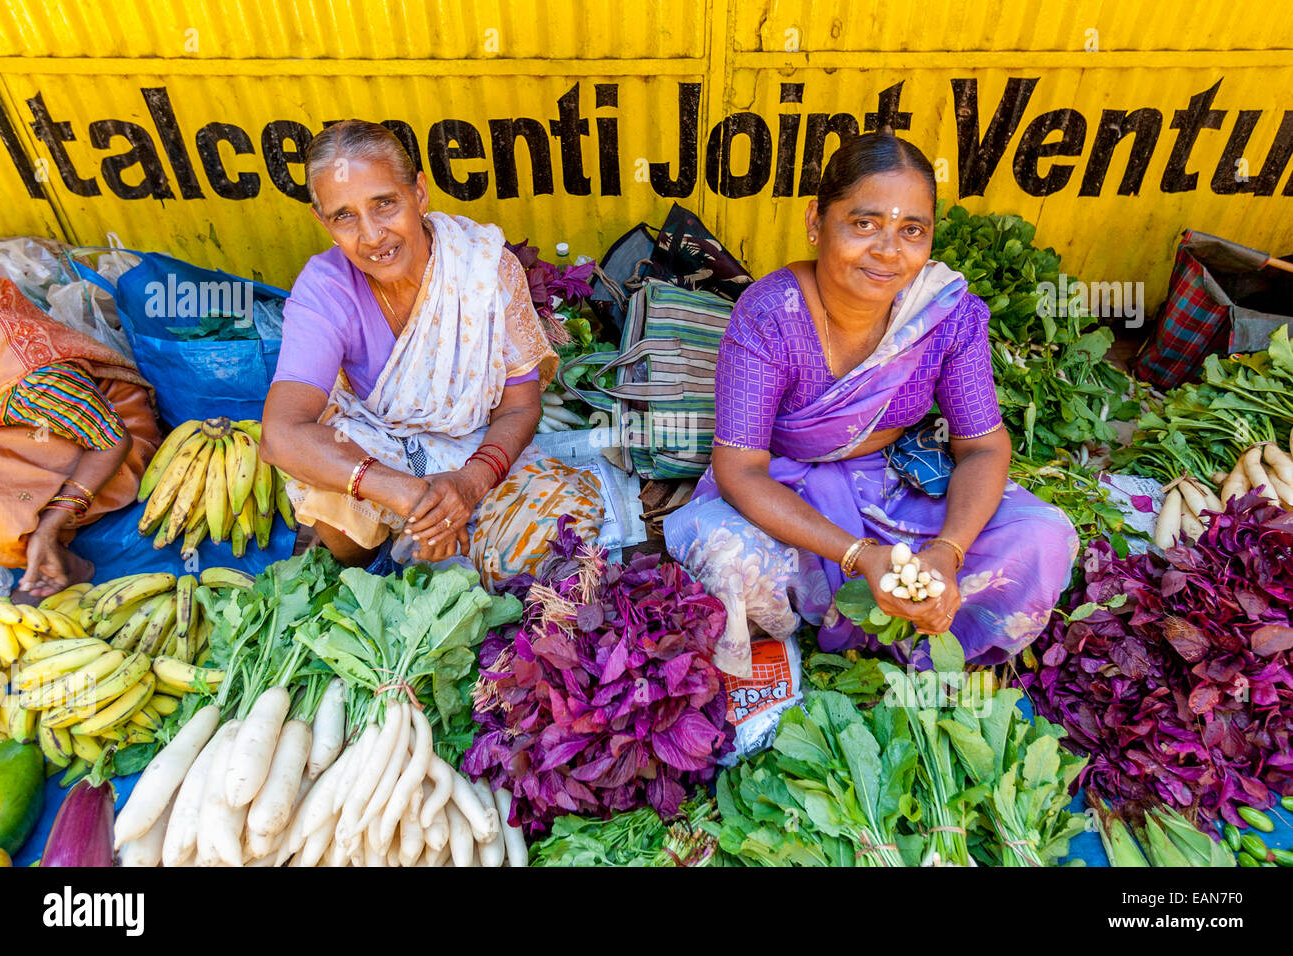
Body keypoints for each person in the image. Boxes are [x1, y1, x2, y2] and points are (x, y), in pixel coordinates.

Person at [663, 133, 1079, 677]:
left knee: (1042, 537)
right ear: (816, 221)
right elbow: (740, 471)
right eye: (864, 224)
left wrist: (947, 553)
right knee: (730, 564)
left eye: (912, 230)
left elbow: (982, 447)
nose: (888, 251)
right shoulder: (769, 314)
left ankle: (918, 616)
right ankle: (860, 610)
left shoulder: (946, 314)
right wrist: (859, 556)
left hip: (893, 485)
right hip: (787, 493)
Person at [261, 120, 603, 586]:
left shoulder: (481, 265)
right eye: (345, 216)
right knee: (312, 469)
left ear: (419, 193)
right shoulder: (326, 288)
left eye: (385, 204)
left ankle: (427, 553)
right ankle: (372, 571)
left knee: (558, 531)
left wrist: (468, 483)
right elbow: (280, 434)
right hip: (379, 453)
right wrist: (408, 494)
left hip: (473, 451)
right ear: (322, 222)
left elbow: (520, 404)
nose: (372, 234)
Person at [0, 277, 160, 602]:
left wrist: (49, 525)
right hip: (41, 421)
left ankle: (55, 560)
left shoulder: (31, 383)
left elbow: (110, 441)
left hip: (111, 441)